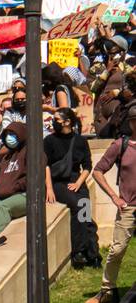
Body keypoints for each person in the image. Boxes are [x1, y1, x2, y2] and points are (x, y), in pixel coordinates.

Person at [87, 117, 136, 303]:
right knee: (116, 250)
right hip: (128, 207)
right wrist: (114, 197)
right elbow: (98, 171)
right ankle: (107, 291)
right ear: (131, 123)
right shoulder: (120, 145)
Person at [45, 108, 101, 269]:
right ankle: (81, 251)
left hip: (76, 180)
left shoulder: (80, 141)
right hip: (58, 182)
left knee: (85, 211)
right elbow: (46, 165)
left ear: (67, 122)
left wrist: (78, 183)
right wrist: (49, 188)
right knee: (79, 206)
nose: (53, 121)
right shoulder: (49, 141)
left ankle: (90, 253)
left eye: (56, 119)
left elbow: (87, 166)